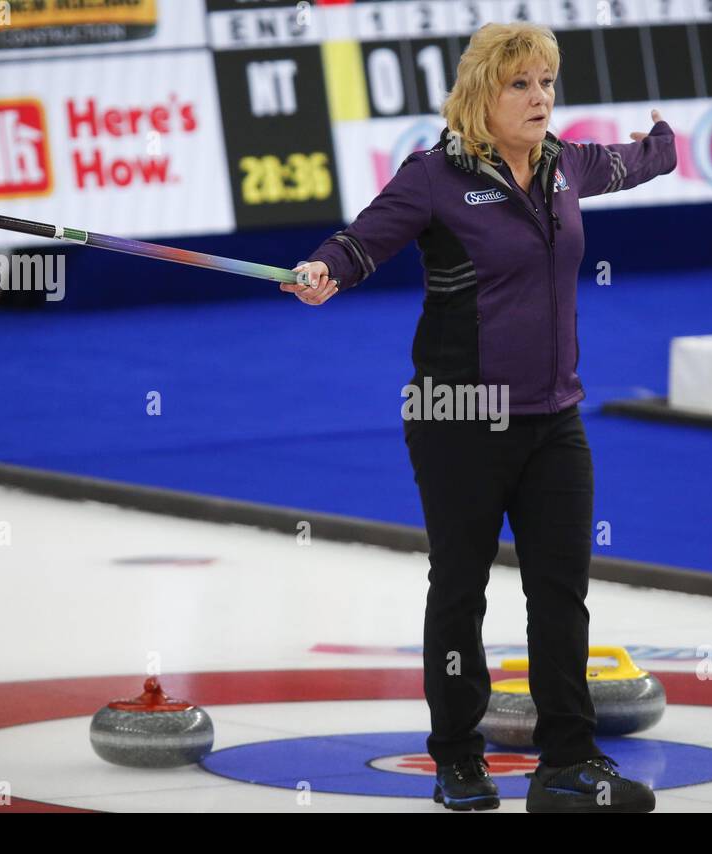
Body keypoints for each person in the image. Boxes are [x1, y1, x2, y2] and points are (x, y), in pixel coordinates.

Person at [280, 22, 677, 813]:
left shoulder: (568, 167)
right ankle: (457, 757)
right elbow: (363, 242)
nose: (540, 98)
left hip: (555, 418)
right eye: (521, 84)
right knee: (460, 589)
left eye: (547, 82)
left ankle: (568, 757)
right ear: (481, 95)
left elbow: (641, 163)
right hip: (458, 416)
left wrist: (661, 142)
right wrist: (325, 269)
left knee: (560, 593)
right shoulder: (434, 177)